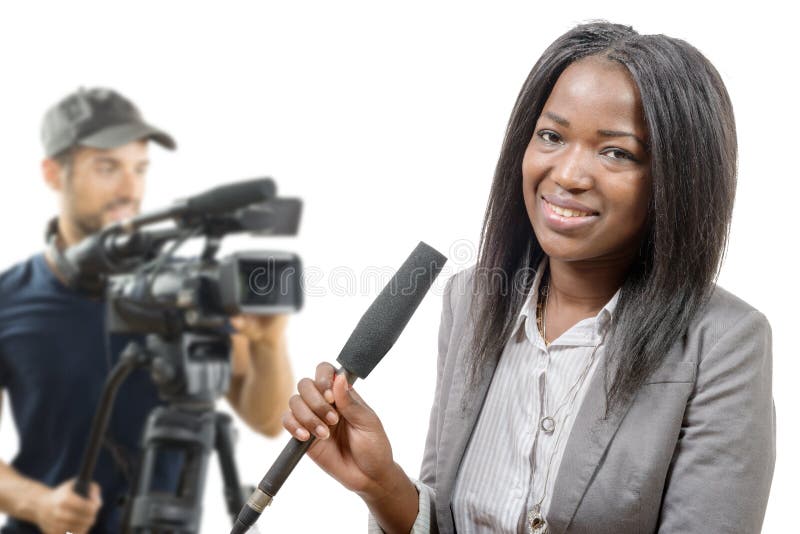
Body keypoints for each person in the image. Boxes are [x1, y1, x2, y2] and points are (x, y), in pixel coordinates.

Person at [281, 21, 776, 534]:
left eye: (615, 152)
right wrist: (382, 485)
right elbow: (446, 519)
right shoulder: (471, 299)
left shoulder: (724, 344)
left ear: (677, 178)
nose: (567, 175)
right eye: (552, 136)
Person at [0, 88, 294, 534]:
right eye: (107, 167)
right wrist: (39, 503)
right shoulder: (8, 299)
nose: (130, 188)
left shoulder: (188, 286)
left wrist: (269, 342)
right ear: (53, 173)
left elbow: (268, 419)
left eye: (139, 168)